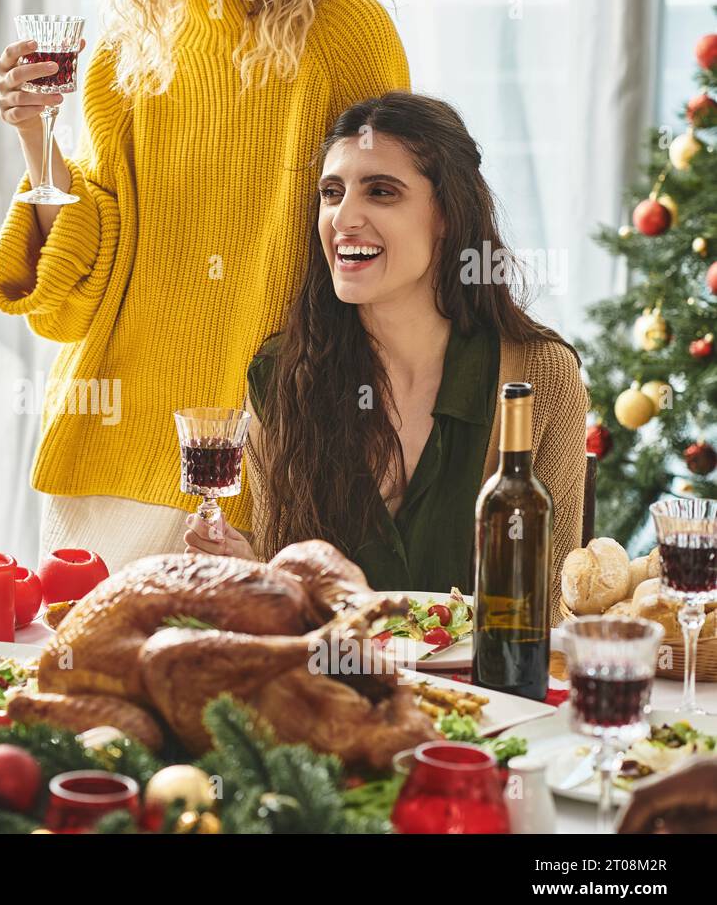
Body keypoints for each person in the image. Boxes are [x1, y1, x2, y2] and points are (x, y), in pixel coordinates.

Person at [0, 0, 410, 570]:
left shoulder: (346, 28)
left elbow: (390, 217)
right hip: (116, 446)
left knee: (257, 657)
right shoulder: (127, 46)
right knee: (83, 656)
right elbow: (90, 275)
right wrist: (35, 132)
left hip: (271, 445)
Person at [184, 92, 588, 614]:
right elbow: (291, 579)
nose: (344, 217)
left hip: (488, 693)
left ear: (447, 213)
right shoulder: (281, 373)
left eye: (380, 192)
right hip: (337, 685)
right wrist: (252, 569)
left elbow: (552, 603)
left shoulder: (539, 372)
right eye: (332, 193)